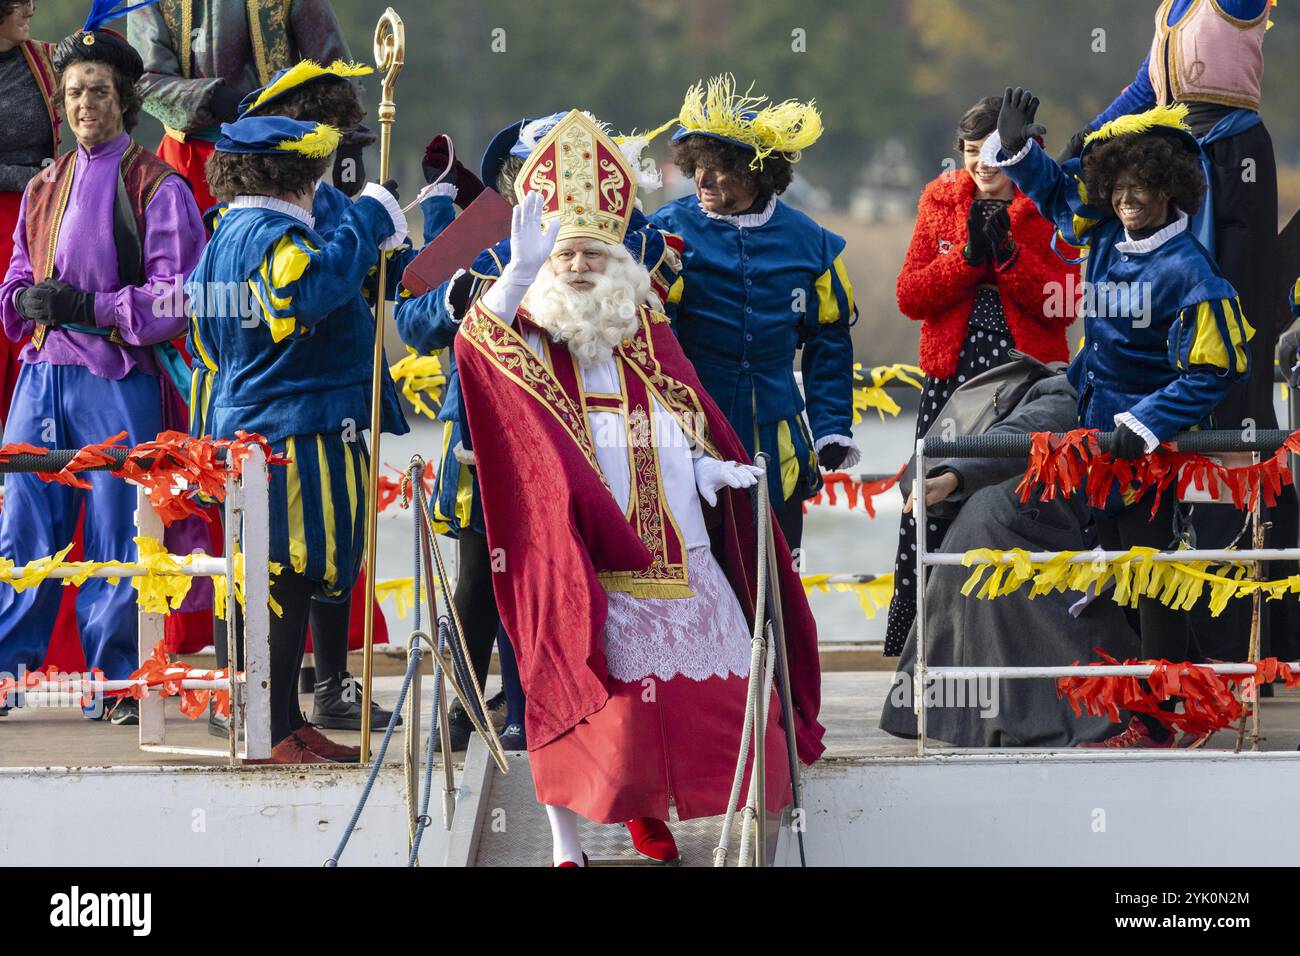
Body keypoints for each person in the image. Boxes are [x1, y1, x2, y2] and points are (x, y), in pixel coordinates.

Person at [453, 110, 824, 865]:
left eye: (593, 251)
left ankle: (659, 811)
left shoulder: (640, 325)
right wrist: (519, 270)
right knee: (580, 698)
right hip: (577, 546)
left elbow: (677, 419)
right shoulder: (528, 323)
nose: (580, 266)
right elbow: (475, 345)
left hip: (670, 535)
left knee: (706, 693)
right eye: (566, 254)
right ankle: (565, 844)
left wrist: (714, 467)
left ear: (619, 259)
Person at [394, 112, 683, 753]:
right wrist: (469, 295)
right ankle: (467, 714)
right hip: (481, 439)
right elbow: (411, 318)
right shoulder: (481, 236)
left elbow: (659, 331)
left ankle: (564, 710)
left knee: (577, 579)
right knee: (479, 580)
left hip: (600, 447)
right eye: (545, 174)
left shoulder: (628, 239)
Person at [985, 89, 1253, 747]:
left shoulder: (1194, 273)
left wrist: (1147, 423)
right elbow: (1054, 195)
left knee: (1149, 577)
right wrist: (1019, 152)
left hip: (1146, 453)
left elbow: (1215, 371)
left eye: (1145, 186)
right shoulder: (1102, 233)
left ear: (1170, 192)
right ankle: (1180, 700)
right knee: (1112, 573)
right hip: (1094, 441)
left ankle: (1159, 722)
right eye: (1121, 185)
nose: (1130, 197)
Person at [0, 6, 204, 721]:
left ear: (125, 101)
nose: (86, 104)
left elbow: (175, 298)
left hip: (117, 382)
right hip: (41, 376)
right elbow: (16, 275)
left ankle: (116, 684)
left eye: (99, 91)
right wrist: (25, 300)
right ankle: (4, 677)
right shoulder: (41, 185)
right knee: (23, 529)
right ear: (62, 103)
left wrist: (92, 309)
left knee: (121, 537)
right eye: (76, 91)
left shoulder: (158, 187)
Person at [187, 114, 409, 763]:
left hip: (251, 425)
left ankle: (284, 721)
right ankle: (275, 731)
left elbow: (202, 340)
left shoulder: (223, 233)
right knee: (292, 573)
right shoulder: (272, 233)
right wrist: (366, 221)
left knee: (278, 573)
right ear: (291, 172)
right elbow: (305, 295)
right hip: (295, 431)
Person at [885, 95, 1079, 656]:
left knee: (1015, 502)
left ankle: (1018, 647)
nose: (982, 164)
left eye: (995, 152)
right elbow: (910, 296)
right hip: (951, 383)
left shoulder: (1051, 202)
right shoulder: (939, 199)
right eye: (971, 152)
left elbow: (1062, 302)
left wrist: (1010, 259)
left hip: (1026, 387)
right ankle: (927, 654)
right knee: (932, 499)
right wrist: (969, 257)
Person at [879, 359, 1141, 747]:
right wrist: (954, 474)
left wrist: (952, 474)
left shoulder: (1052, 389)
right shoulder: (1065, 394)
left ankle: (955, 718)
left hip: (988, 528)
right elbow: (1027, 431)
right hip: (1008, 526)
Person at [647, 75, 857, 552]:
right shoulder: (665, 234)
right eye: (697, 164)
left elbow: (829, 340)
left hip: (777, 442)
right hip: (691, 434)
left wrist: (831, 426)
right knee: (703, 588)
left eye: (720, 166)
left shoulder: (812, 244)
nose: (702, 179)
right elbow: (649, 339)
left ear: (758, 171)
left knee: (778, 586)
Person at [128, 0, 359, 215]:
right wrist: (218, 100)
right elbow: (144, 79)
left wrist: (351, 141)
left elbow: (332, 64)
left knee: (280, 254)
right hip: (187, 160)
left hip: (277, 156)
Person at [0, 0, 58, 427]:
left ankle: (31, 462)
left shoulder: (45, 58)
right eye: (20, 3)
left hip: (39, 220)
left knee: (31, 329)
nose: (32, 10)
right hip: (9, 211)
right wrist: (29, 177)